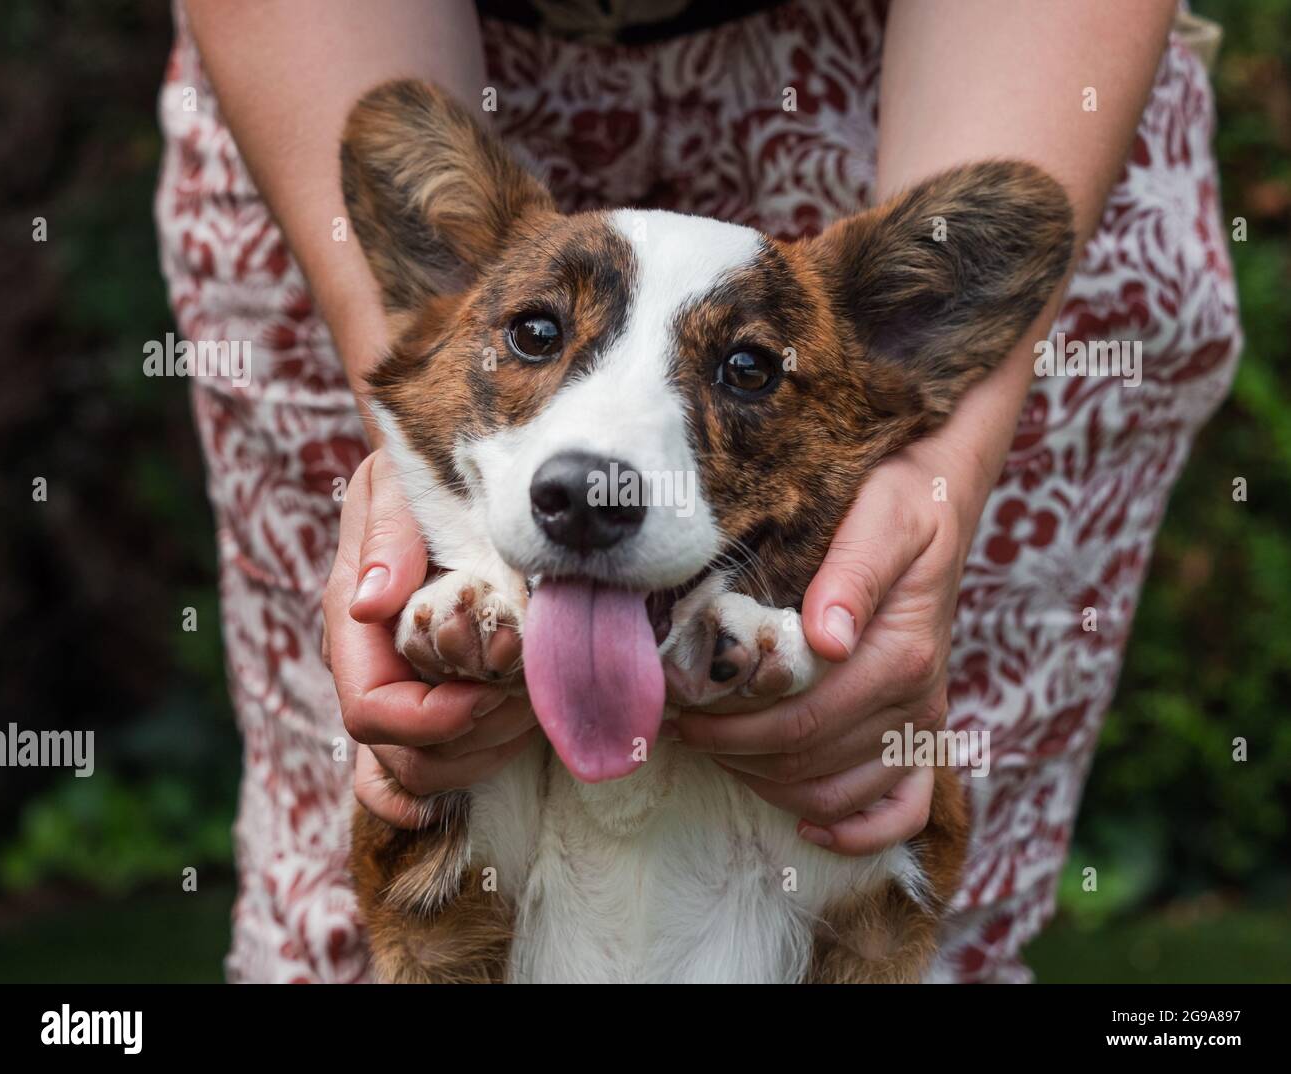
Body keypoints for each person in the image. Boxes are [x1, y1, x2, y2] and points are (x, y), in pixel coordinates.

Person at [156, 0, 1240, 982]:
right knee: (343, 899)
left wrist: (937, 484)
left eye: (746, 367)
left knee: (876, 773)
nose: (599, 477)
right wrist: (419, 475)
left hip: (976, 73)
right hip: (326, 51)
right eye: (538, 334)